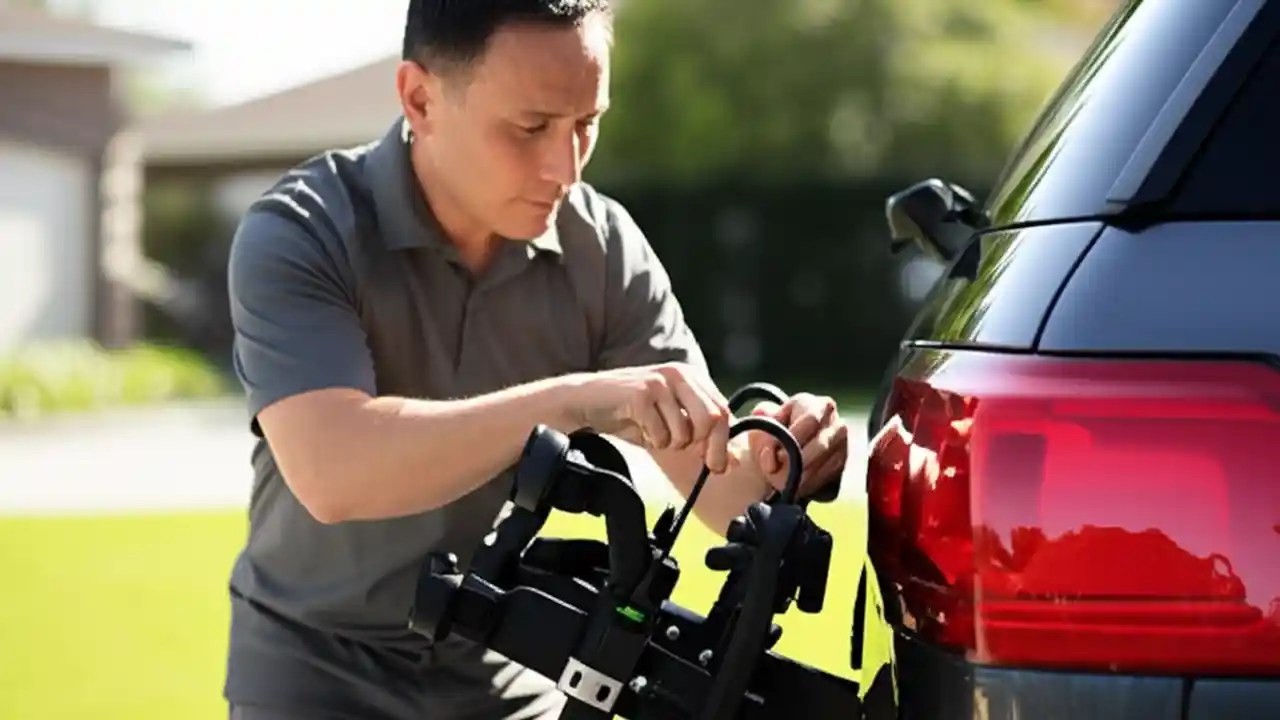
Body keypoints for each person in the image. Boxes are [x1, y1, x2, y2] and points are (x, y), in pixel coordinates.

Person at [221, 1, 850, 717]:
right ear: (420, 98)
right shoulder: (302, 231)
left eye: (588, 123)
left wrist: (779, 457)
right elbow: (334, 473)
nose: (566, 166)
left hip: (503, 668)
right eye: (531, 128)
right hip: (310, 674)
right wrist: (573, 400)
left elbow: (722, 492)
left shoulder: (603, 249)